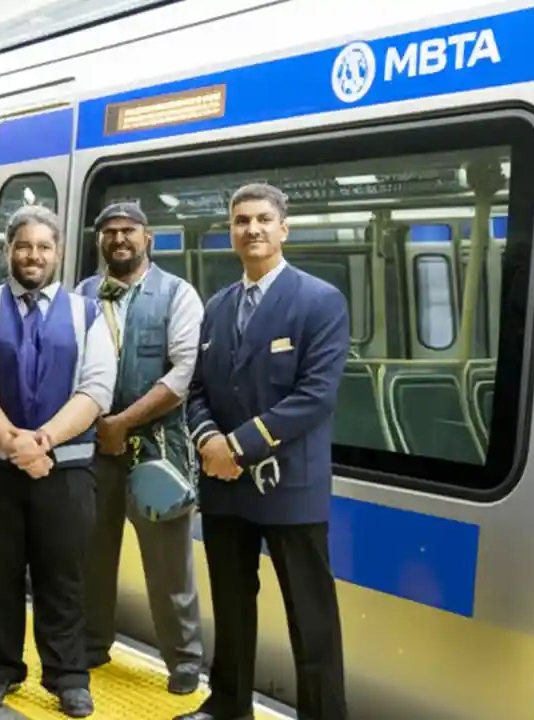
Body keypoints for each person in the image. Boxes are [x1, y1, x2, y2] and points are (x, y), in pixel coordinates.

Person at [177, 183, 350, 720]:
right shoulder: (218, 306)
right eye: (241, 221)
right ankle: (228, 704)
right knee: (230, 603)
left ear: (283, 228)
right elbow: (198, 389)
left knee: (310, 613)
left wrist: (238, 446)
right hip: (224, 484)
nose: (251, 229)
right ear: (231, 231)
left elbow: (315, 397)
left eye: (262, 220)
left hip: (289, 485)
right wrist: (208, 440)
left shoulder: (319, 301)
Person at [0, 205, 117, 718]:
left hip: (64, 472)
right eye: (23, 246)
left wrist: (39, 442)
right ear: (9, 252)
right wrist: (10, 443)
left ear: (58, 253)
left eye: (43, 247)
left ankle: (67, 676)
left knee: (63, 576)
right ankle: (0, 668)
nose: (33, 255)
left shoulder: (88, 313)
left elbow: (97, 389)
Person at [75, 202, 205, 694]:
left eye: (127, 230)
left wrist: (123, 423)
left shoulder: (178, 294)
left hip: (158, 450)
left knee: (169, 564)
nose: (118, 239)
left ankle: (185, 660)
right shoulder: (83, 295)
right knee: (91, 551)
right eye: (108, 232)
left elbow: (184, 372)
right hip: (92, 445)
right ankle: (91, 643)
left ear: (147, 237)